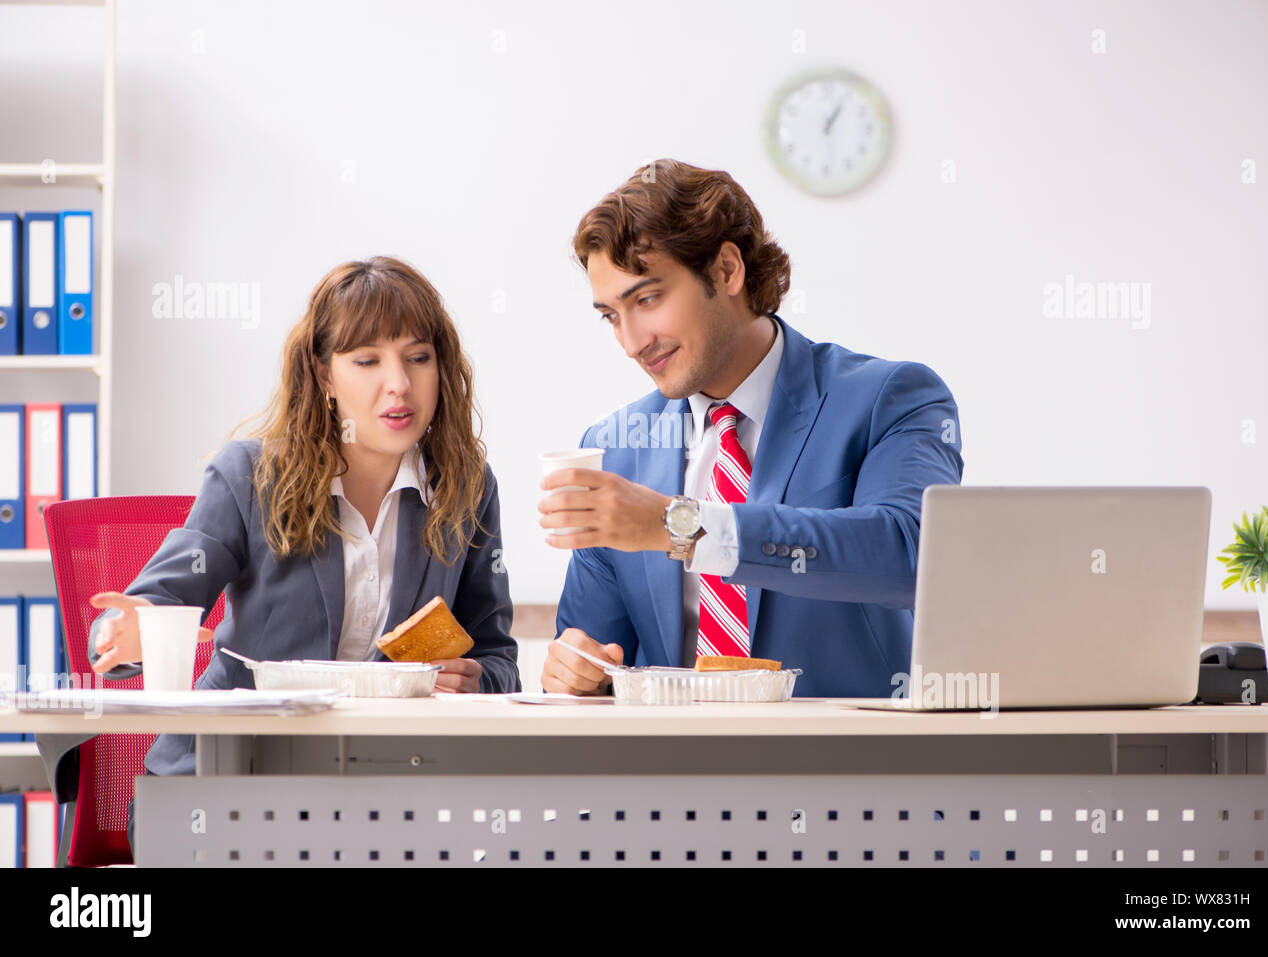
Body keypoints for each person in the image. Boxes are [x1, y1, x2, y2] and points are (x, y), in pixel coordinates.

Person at [48, 256, 519, 854]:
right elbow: (136, 615)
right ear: (324, 375)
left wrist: (477, 680)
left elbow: (497, 654)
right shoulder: (249, 476)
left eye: (418, 357)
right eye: (367, 361)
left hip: (381, 798)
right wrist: (123, 633)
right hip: (224, 790)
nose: (398, 384)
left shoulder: (466, 487)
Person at [538, 159, 964, 698]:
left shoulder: (888, 399)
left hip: (850, 769)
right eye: (611, 315)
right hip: (673, 770)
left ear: (727, 271)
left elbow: (912, 558)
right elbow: (597, 655)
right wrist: (579, 674)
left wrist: (683, 528)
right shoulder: (615, 448)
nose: (632, 342)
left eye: (647, 299)